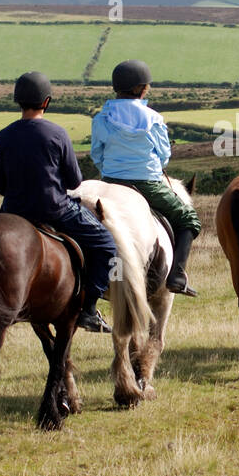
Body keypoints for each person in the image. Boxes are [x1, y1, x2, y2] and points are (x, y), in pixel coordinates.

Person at [0, 71, 115, 332]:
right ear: (46, 102)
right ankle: (89, 309)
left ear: (18, 102)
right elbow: (73, 182)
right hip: (55, 210)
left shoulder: (4, 135)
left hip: (13, 213)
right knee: (106, 244)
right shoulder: (57, 134)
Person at [91, 59, 200, 297]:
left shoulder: (102, 118)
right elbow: (164, 156)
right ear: (142, 88)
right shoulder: (154, 119)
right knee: (189, 219)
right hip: (148, 185)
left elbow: (96, 154)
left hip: (109, 183)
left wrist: (109, 173)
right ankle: (177, 275)